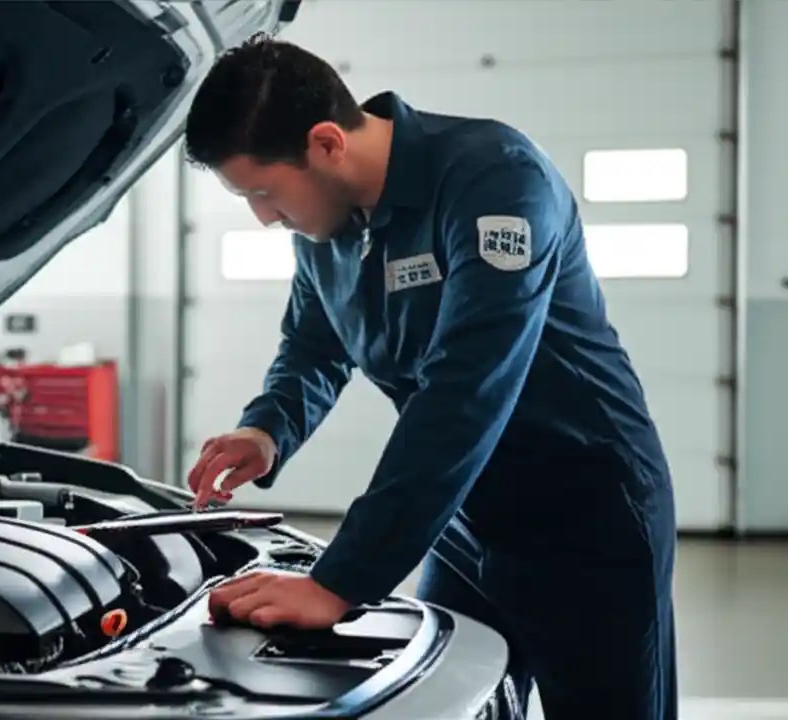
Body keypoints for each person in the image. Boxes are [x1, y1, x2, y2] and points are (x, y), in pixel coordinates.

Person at [182, 35, 677, 720]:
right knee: (458, 704)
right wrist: (265, 429)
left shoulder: (495, 180)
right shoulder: (325, 228)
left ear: (327, 143)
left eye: (263, 192)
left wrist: (340, 580)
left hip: (586, 517)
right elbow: (314, 343)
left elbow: (465, 392)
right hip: (467, 519)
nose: (263, 217)